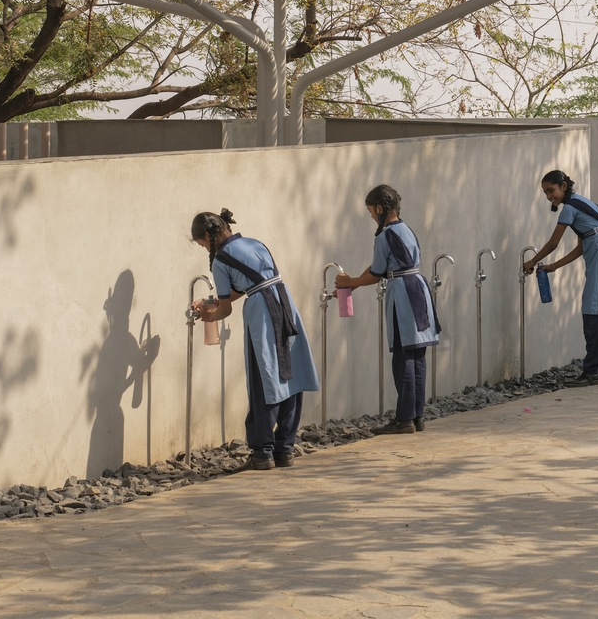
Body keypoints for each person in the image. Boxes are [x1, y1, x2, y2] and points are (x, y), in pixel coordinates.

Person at [189, 208, 319, 471]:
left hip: (262, 312)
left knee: (265, 376)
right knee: (290, 374)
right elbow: (249, 284)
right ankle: (285, 448)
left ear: (207, 236)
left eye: (202, 244)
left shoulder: (220, 260)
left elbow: (226, 308)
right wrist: (213, 302)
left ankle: (262, 452)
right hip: (284, 302)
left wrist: (208, 315)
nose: (204, 249)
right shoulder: (254, 243)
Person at [335, 185, 441, 435]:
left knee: (403, 357)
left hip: (402, 293)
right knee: (417, 356)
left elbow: (375, 273)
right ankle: (417, 417)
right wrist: (353, 283)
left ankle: (404, 419)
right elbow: (378, 268)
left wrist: (349, 283)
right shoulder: (406, 229)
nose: (371, 216)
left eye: (371, 211)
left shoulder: (384, 236)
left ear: (380, 209)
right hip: (419, 289)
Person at [521, 169, 598, 387]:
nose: (548, 196)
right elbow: (581, 246)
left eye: (551, 190)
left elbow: (554, 243)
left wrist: (532, 262)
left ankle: (592, 371)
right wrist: (553, 266)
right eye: (545, 192)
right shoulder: (584, 202)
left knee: (595, 311)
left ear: (563, 186)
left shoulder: (570, 208)